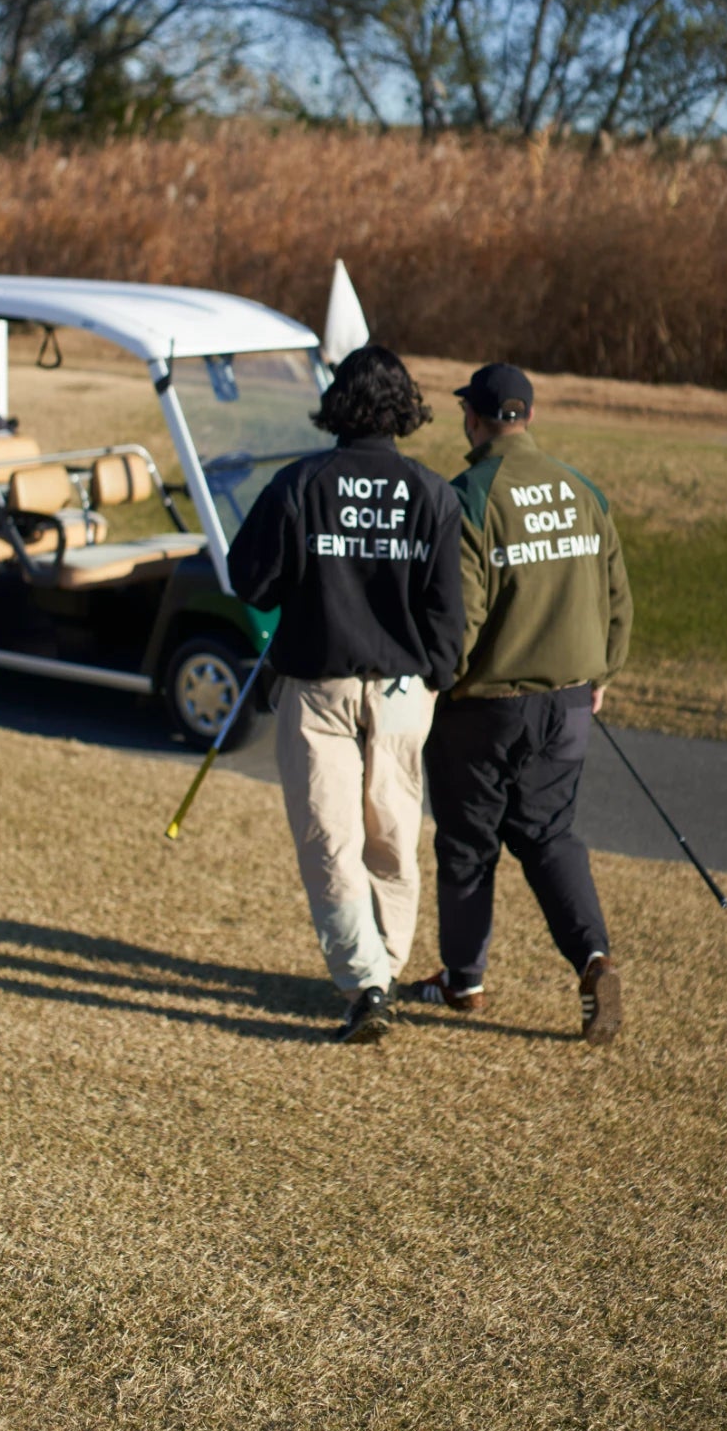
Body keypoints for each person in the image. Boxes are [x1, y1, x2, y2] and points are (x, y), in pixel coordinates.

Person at [227, 346, 464, 1045]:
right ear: (404, 407)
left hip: (318, 690)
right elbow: (448, 608)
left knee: (330, 839)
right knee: (391, 835)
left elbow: (251, 581)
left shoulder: (301, 483)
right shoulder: (433, 494)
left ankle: (367, 984)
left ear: (338, 403)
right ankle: (378, 975)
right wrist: (438, 677)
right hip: (402, 694)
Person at [402, 362, 633, 1045]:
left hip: (483, 708)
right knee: (548, 836)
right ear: (526, 417)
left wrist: (438, 679)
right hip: (568, 704)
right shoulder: (581, 490)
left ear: (473, 418)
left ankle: (463, 980)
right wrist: (602, 670)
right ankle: (593, 959)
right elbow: (616, 598)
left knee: (468, 847)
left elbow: (462, 614)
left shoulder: (469, 495)